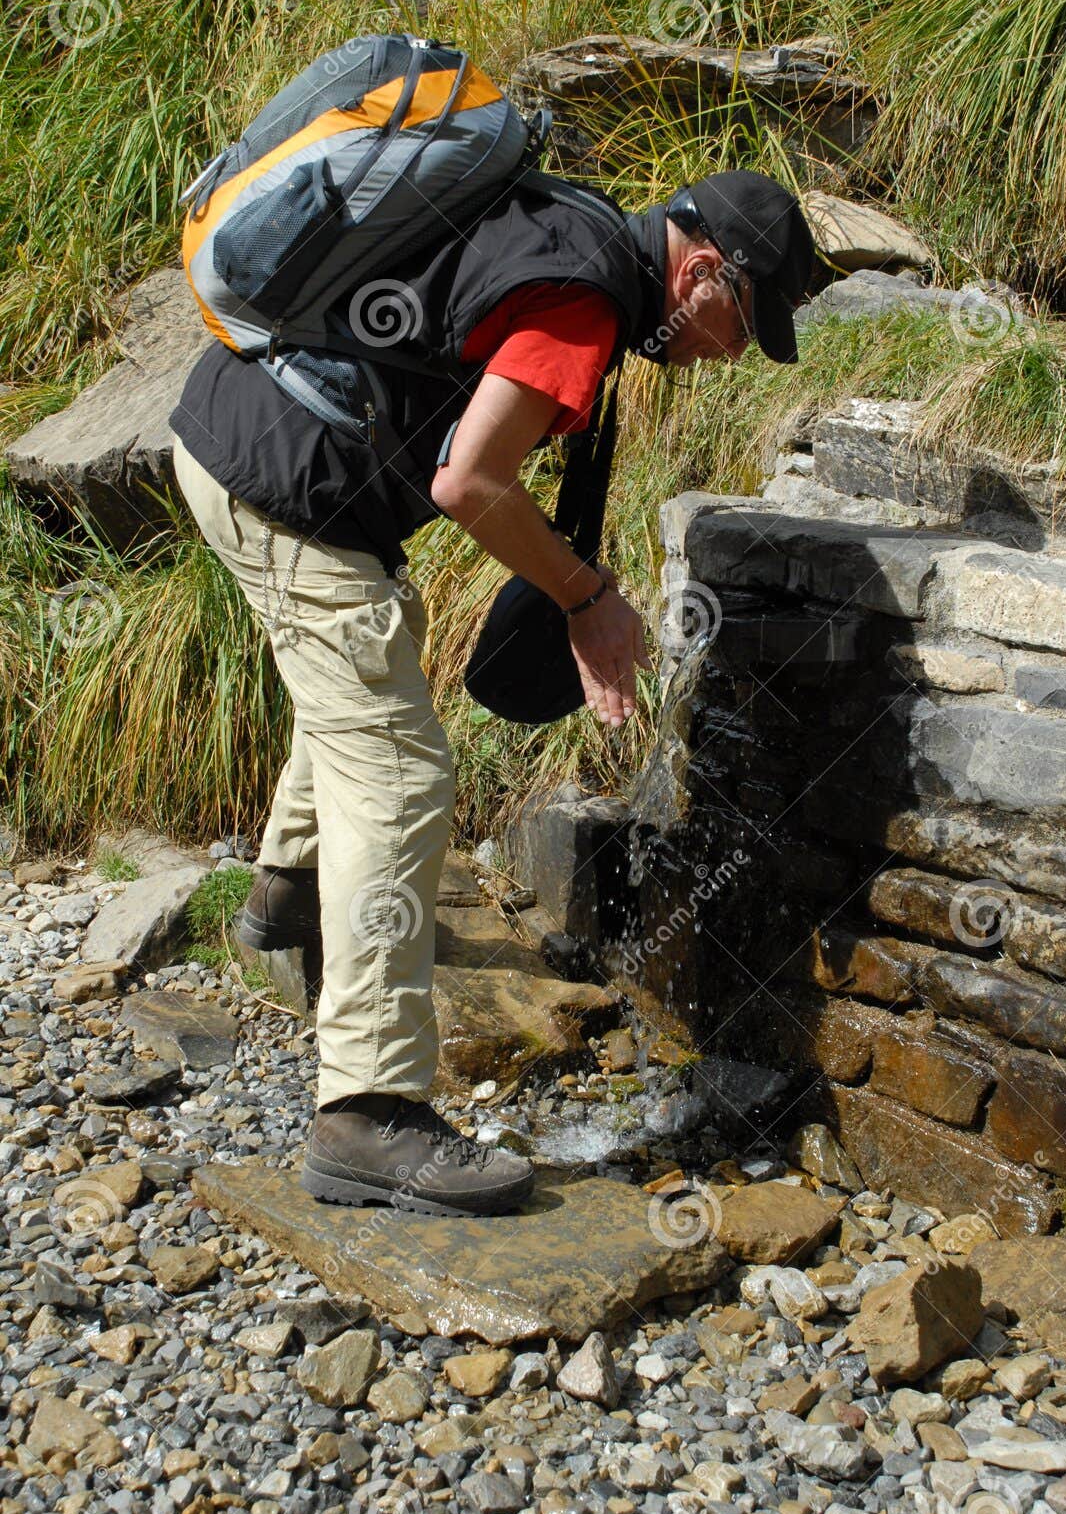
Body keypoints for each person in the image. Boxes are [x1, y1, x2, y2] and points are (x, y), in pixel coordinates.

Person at [169, 167, 814, 1217]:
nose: (729, 353)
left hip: (255, 430)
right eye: (742, 323)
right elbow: (470, 482)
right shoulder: (585, 297)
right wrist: (586, 597)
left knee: (375, 648)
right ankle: (366, 1114)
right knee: (401, 769)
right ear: (701, 271)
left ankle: (287, 887)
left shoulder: (580, 230)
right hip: (279, 479)